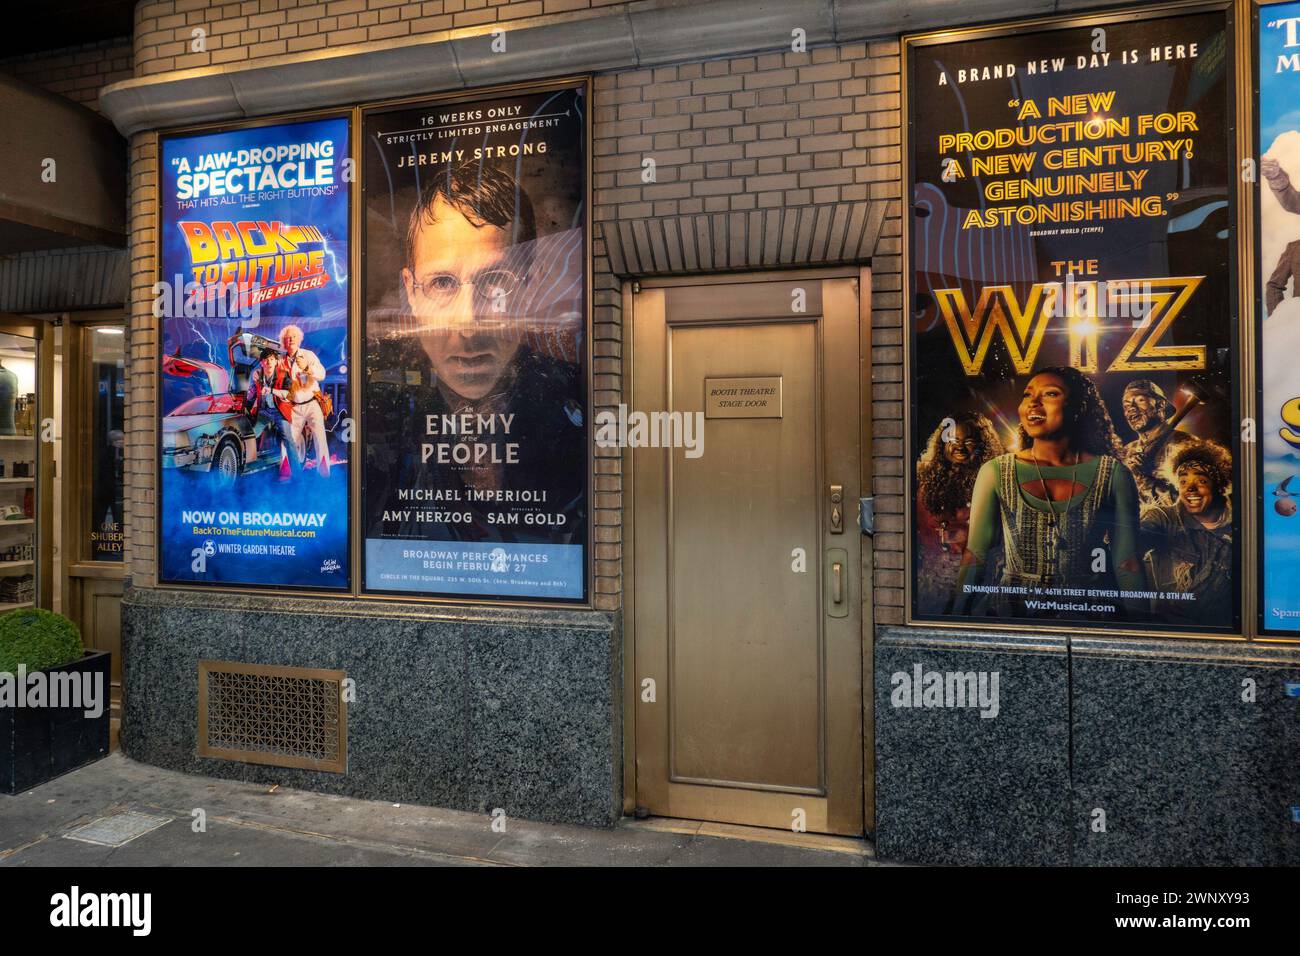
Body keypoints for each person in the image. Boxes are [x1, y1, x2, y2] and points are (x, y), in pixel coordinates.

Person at [367, 160, 584, 541]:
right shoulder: (375, 411)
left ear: (530, 289)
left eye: (496, 281)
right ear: (411, 293)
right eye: (442, 283)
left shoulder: (576, 405)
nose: (468, 321)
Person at [952, 366, 1143, 616]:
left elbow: (1126, 563)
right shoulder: (995, 472)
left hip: (1088, 613)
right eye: (1028, 395)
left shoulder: (1113, 474)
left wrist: (1143, 627)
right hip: (1011, 614)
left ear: (1079, 407)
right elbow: (975, 556)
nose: (1033, 403)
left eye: (1050, 394)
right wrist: (954, 620)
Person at [914, 413, 1004, 612]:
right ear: (942, 444)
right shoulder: (923, 481)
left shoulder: (993, 483)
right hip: (932, 582)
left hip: (977, 579)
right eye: (953, 440)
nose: (960, 447)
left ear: (982, 446)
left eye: (969, 441)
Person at [1140, 440, 1233, 624]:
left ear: (1218, 484)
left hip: (1222, 628)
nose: (1190, 488)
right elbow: (1138, 537)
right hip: (1171, 626)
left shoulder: (1240, 523)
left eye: (1201, 480)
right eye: (1183, 481)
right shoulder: (1163, 518)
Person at [1119, 379, 1197, 507]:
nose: (1131, 409)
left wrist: (1145, 477)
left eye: (1140, 400)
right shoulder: (1127, 451)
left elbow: (1191, 504)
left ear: (1160, 405)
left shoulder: (1185, 445)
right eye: (1126, 405)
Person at [278, 324, 330, 477]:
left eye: (293, 337)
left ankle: (324, 475)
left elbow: (322, 374)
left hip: (312, 403)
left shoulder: (308, 355)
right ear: (284, 342)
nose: (290, 340)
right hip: (294, 407)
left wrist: (307, 367)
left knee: (320, 437)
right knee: (287, 439)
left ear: (299, 339)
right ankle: (287, 474)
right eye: (287, 338)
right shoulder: (281, 360)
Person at [245, 347, 294, 467]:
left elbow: (287, 394)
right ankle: (249, 464)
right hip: (264, 412)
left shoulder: (283, 374)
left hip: (280, 412)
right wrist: (250, 393)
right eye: (266, 360)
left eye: (272, 359)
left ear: (276, 361)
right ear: (261, 363)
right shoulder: (257, 376)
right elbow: (251, 397)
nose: (269, 362)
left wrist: (271, 390)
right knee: (251, 436)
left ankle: (298, 476)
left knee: (289, 441)